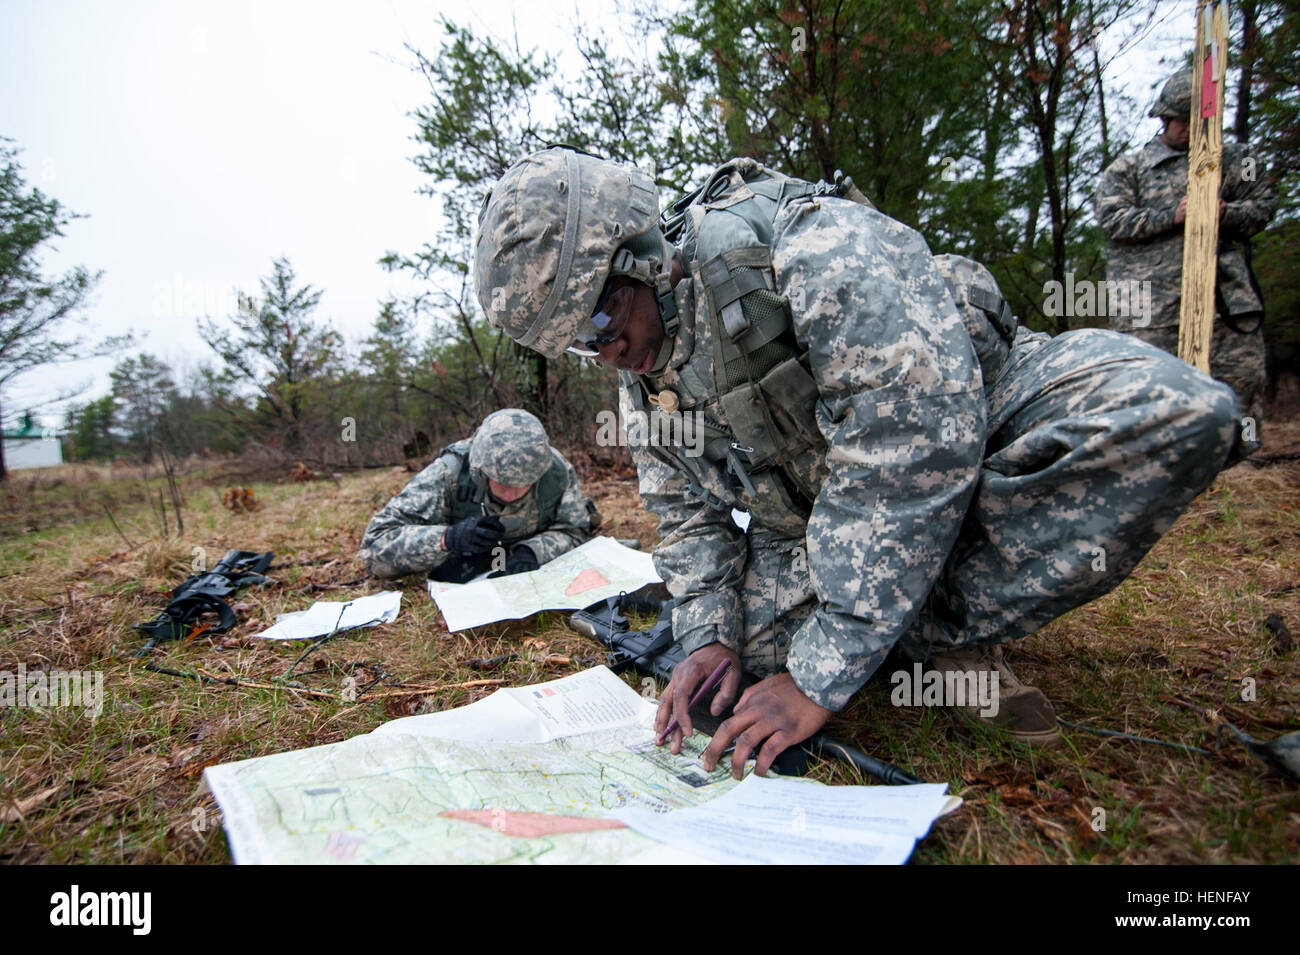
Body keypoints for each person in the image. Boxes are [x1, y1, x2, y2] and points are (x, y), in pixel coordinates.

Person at [474, 146, 1248, 778]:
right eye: (581, 340)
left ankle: (935, 634)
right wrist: (707, 632)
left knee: (1177, 413)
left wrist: (819, 674)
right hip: (823, 522)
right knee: (735, 676)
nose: (605, 348)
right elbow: (687, 513)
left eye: (604, 313)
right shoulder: (645, 379)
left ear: (640, 254)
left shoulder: (808, 250)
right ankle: (899, 626)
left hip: (978, 420)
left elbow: (911, 443)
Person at [1095, 69, 1277, 428]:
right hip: (1149, 309)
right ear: (1164, 118)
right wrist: (1172, 216)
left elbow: (1266, 205)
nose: (1188, 128)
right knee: (1146, 394)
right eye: (1180, 121)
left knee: (1242, 383)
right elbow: (1112, 219)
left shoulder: (1241, 160)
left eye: (1196, 121)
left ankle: (1239, 468)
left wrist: (1227, 211)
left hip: (1225, 302)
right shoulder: (1129, 168)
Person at [360, 408, 596, 582]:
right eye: (502, 482)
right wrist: (447, 539)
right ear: (479, 472)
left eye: (526, 484)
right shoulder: (449, 472)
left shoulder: (556, 472)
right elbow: (373, 549)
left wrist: (533, 551)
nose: (512, 494)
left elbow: (575, 530)